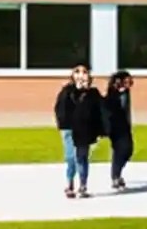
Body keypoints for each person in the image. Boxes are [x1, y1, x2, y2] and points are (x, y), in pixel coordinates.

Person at [54, 64, 102, 199]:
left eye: (84, 72)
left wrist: (98, 132)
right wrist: (75, 91)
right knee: (71, 157)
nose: (81, 75)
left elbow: (99, 112)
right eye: (77, 72)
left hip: (85, 130)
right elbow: (61, 109)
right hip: (69, 128)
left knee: (81, 158)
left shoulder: (93, 93)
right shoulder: (67, 91)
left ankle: (83, 185)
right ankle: (69, 184)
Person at [103, 70, 135, 191]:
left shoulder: (126, 92)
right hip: (115, 127)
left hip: (125, 126)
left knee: (128, 150)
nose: (129, 83)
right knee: (120, 150)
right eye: (127, 80)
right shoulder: (112, 94)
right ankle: (115, 176)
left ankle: (117, 173)